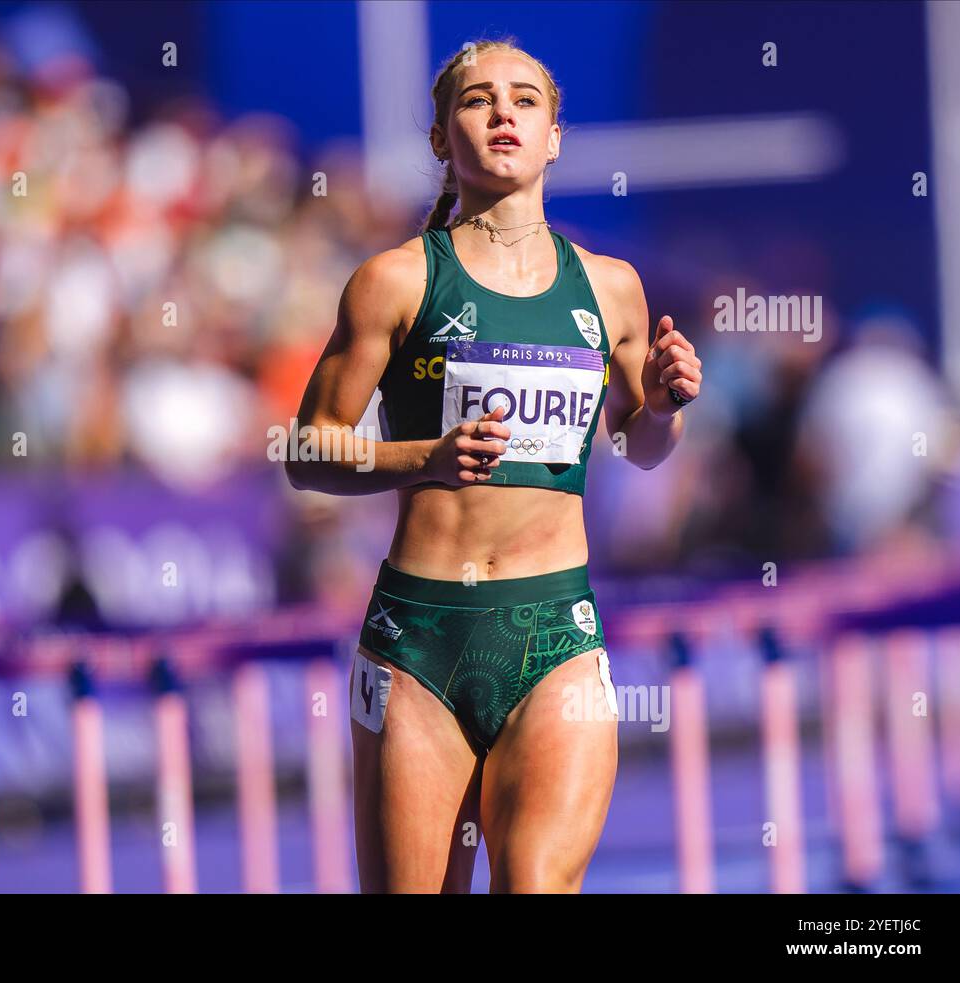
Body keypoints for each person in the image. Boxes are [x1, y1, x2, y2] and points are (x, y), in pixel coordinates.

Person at [285, 38, 702, 893]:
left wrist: (661, 407)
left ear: (554, 136)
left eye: (525, 101)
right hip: (421, 640)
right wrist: (423, 459)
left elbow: (643, 450)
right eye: (477, 101)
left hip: (555, 634)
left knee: (537, 880)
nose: (502, 113)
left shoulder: (612, 288)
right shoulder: (395, 281)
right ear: (442, 137)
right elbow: (305, 450)